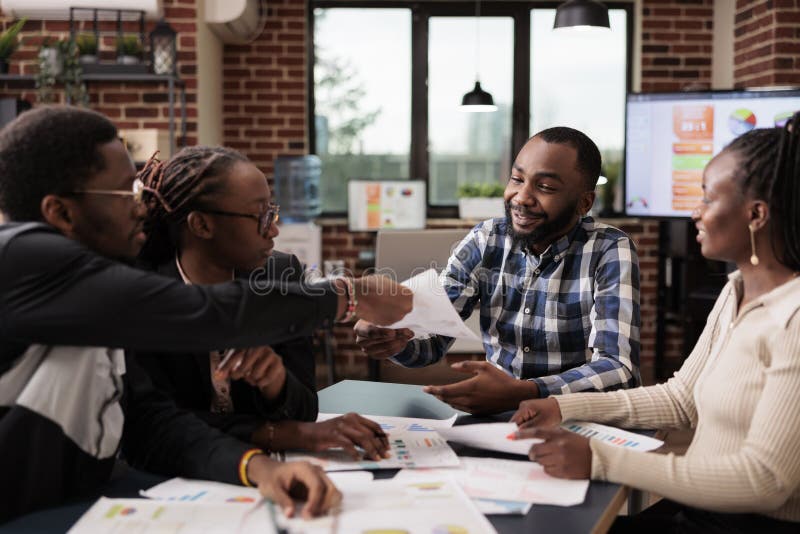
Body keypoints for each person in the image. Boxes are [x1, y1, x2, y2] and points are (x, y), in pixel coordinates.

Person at [0, 106, 410, 522]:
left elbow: (148, 420)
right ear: (61, 212)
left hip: (74, 503)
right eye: (127, 193)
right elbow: (204, 313)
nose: (142, 207)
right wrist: (348, 297)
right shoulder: (23, 261)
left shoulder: (89, 286)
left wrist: (257, 467)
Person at [511, 116, 800, 533]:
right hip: (702, 509)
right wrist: (562, 406)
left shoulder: (792, 318)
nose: (694, 212)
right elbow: (682, 400)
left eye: (708, 198)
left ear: (756, 214)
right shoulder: (736, 288)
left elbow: (767, 480)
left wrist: (601, 459)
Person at [355, 127, 641, 414]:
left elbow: (618, 369)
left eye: (545, 187)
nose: (521, 197)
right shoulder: (486, 239)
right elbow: (432, 339)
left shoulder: (609, 249)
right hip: (502, 415)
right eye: (517, 179)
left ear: (584, 203)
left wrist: (528, 392)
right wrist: (395, 341)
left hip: (577, 415)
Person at [133, 146, 390, 461]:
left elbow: (306, 408)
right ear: (201, 225)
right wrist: (278, 434)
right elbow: (153, 425)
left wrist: (277, 383)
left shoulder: (280, 274)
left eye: (273, 211)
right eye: (260, 216)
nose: (273, 229)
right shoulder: (145, 294)